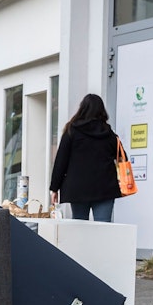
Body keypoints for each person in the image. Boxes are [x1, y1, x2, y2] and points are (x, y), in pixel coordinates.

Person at [49, 93, 122, 223]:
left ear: (82, 109)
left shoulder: (72, 130)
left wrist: (54, 188)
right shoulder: (108, 133)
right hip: (104, 188)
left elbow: (61, 161)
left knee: (80, 227)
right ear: (101, 110)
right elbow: (121, 156)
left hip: (78, 189)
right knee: (103, 229)